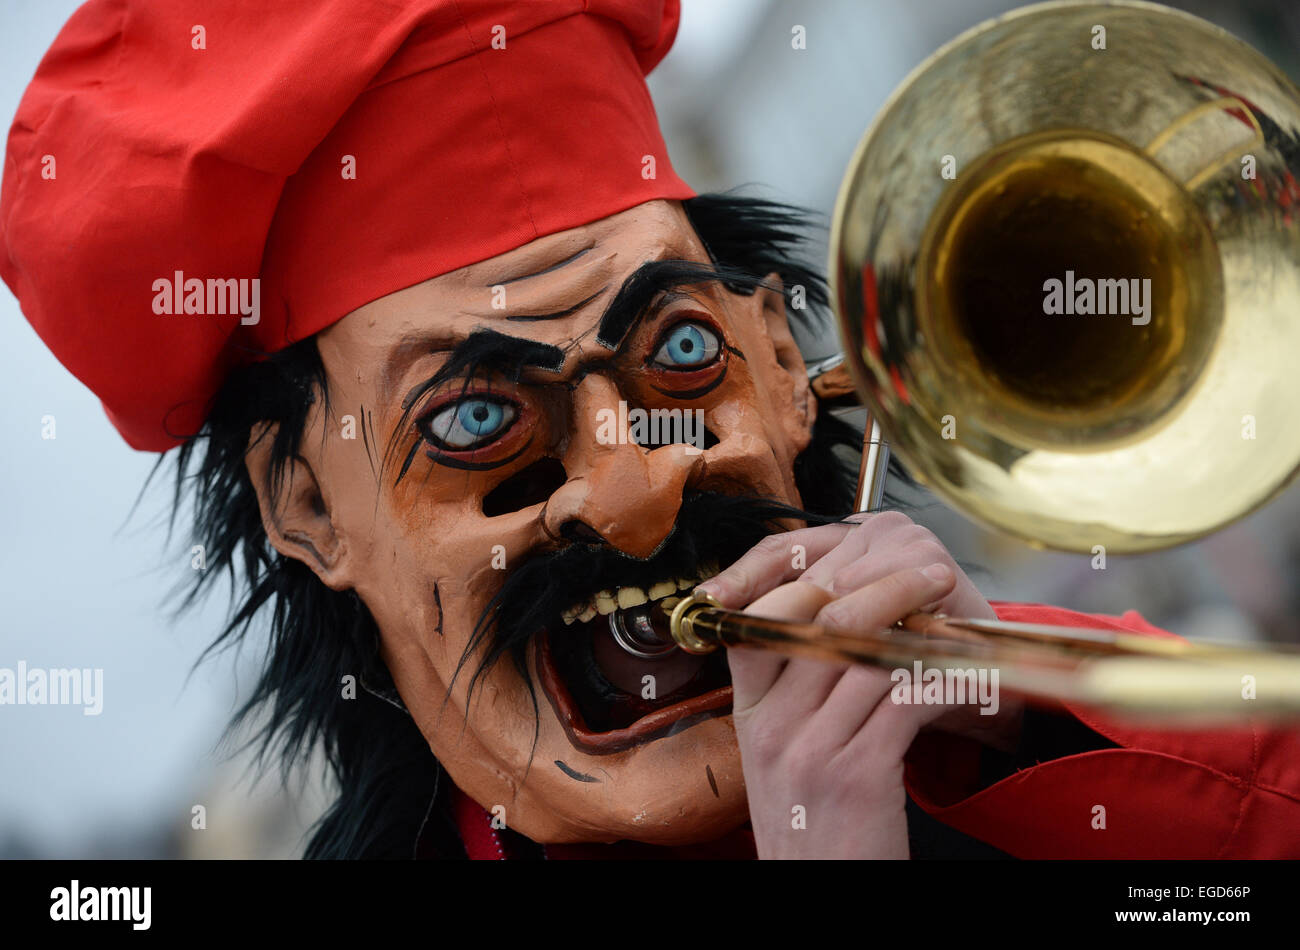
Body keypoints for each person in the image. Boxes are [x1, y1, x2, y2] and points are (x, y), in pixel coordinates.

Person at [3, 0, 1297, 859]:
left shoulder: (1034, 705)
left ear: (785, 366)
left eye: (681, 350)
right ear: (309, 507)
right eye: (477, 416)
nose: (636, 495)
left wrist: (1020, 710)